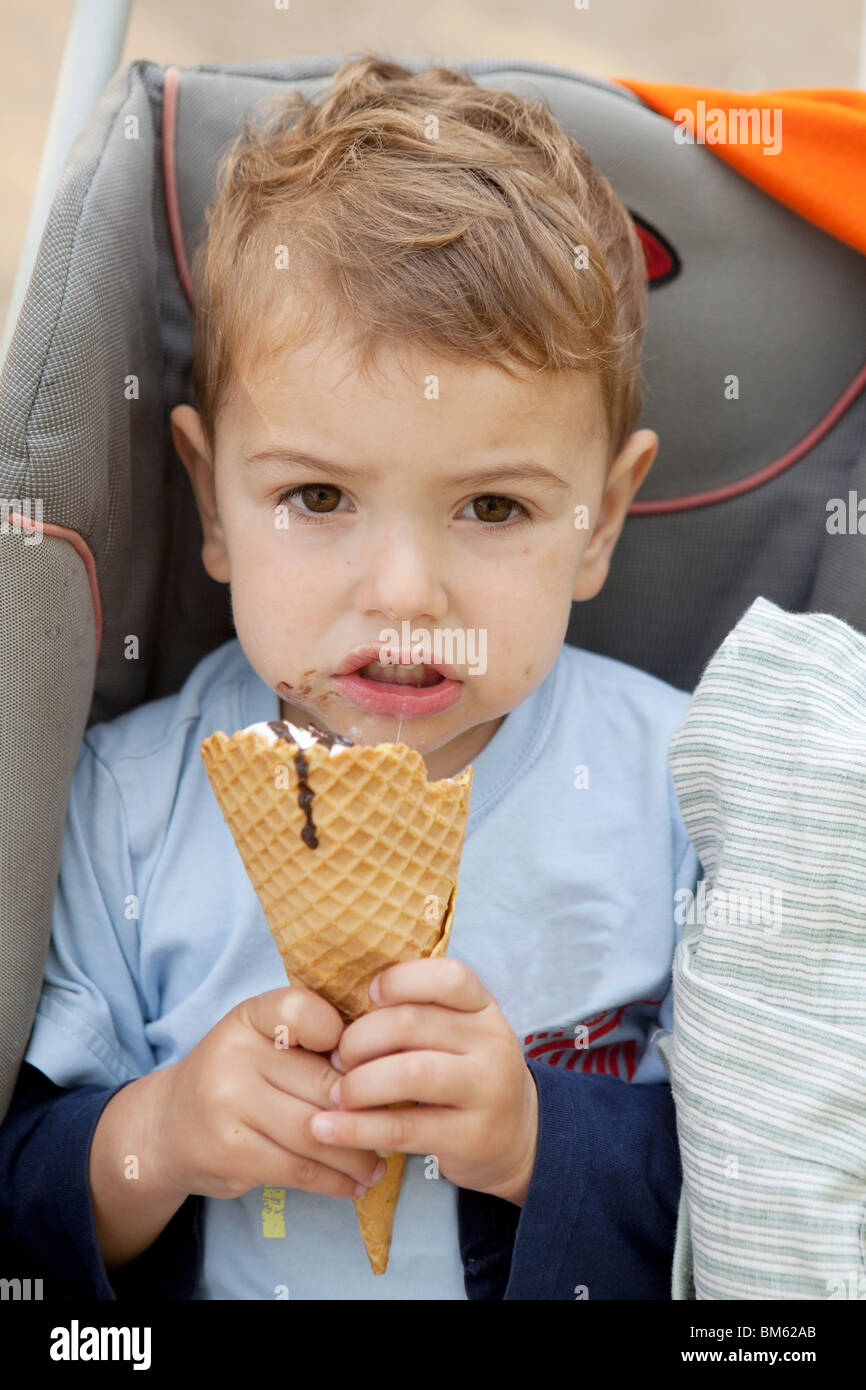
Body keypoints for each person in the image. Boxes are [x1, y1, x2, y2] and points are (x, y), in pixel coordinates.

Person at [0, 55, 699, 1300]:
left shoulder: (684, 794)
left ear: (598, 521)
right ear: (211, 497)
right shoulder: (121, 804)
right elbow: (22, 1205)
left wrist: (537, 1140)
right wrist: (157, 1137)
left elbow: (767, 1200)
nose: (402, 595)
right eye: (315, 497)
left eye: (492, 505)